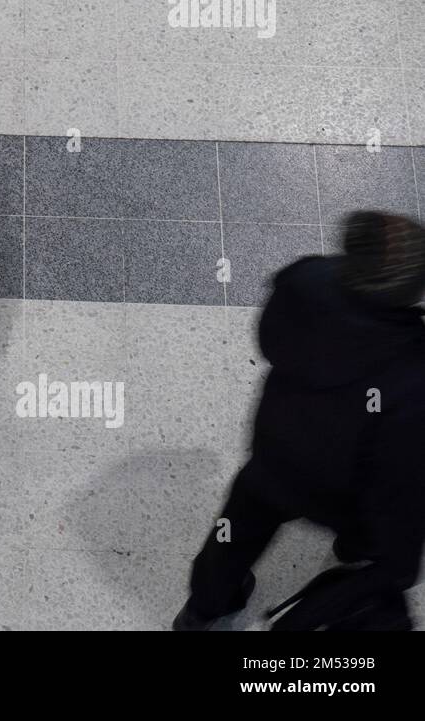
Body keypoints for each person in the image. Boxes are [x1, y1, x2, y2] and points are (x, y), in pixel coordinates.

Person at [175, 211, 425, 631]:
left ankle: (205, 605)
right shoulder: (411, 370)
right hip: (345, 490)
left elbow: (270, 338)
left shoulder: (306, 280)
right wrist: (398, 557)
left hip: (276, 446)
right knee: (366, 536)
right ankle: (351, 549)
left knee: (235, 531)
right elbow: (399, 471)